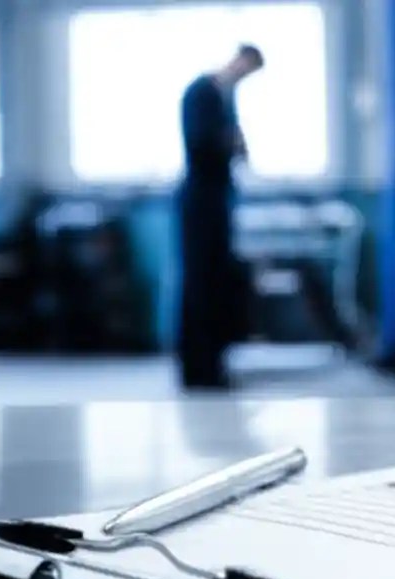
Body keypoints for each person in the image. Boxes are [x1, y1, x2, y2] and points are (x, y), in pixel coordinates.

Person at [176, 45, 264, 389]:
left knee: (215, 282)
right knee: (199, 283)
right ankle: (197, 369)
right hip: (199, 202)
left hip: (215, 200)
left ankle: (212, 364)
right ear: (239, 61)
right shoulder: (202, 93)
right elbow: (203, 144)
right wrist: (231, 143)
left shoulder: (224, 96)